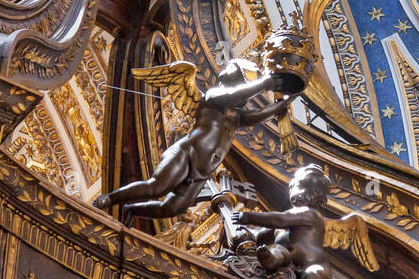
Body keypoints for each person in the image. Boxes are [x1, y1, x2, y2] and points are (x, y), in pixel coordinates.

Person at [93, 62, 294, 219]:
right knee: (156, 188)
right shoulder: (214, 95)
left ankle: (131, 210)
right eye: (246, 85)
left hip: (203, 171)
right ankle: (108, 199)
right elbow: (235, 94)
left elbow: (261, 115)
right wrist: (266, 83)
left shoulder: (236, 116)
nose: (247, 96)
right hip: (187, 154)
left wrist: (287, 100)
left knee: (172, 208)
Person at [233, 164, 333, 279]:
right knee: (278, 250)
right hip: (289, 261)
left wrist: (249, 217)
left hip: (313, 264)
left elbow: (279, 219)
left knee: (313, 274)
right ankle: (270, 260)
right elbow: (265, 233)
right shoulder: (290, 222)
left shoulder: (310, 214)